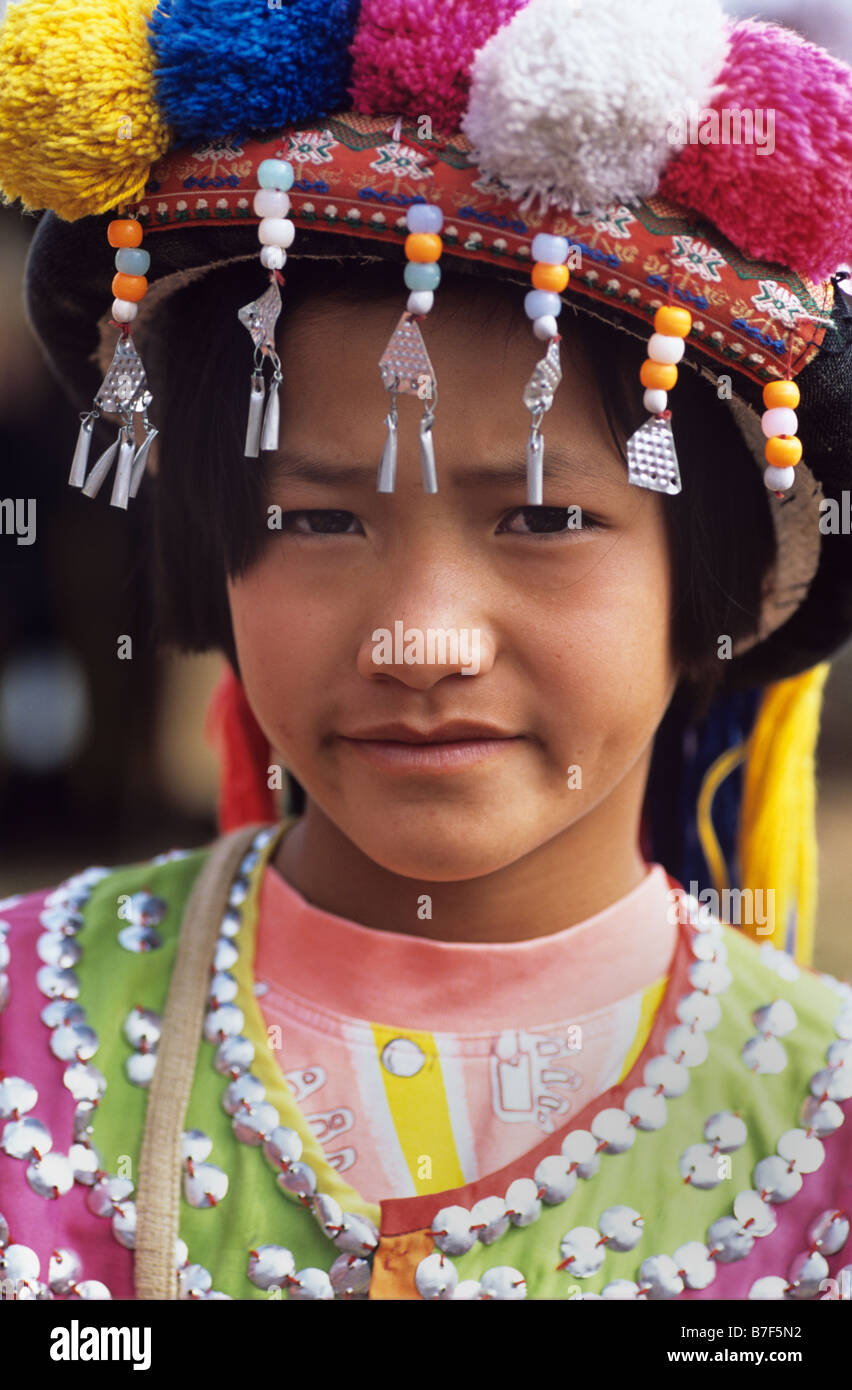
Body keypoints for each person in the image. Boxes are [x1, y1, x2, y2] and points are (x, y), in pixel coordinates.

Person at [1, 0, 851, 1302]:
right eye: (314, 517)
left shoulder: (826, 1121)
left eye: (545, 517)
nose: (421, 639)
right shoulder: (17, 1019)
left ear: (720, 573)